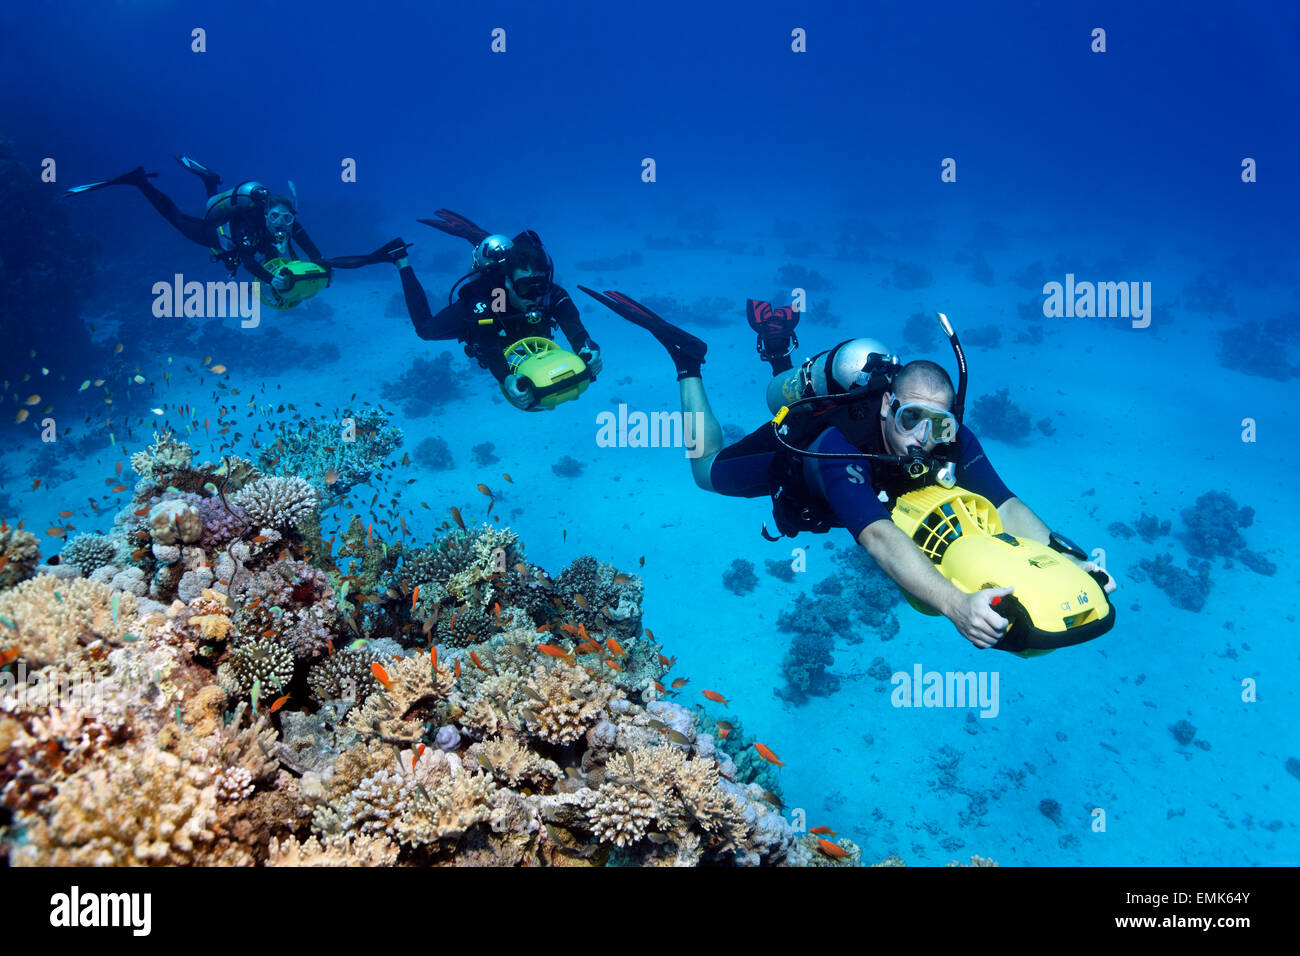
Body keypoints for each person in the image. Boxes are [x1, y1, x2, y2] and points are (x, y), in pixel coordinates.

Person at [580, 287, 1118, 650]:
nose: (924, 442)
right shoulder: (840, 446)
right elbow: (880, 537)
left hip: (852, 468)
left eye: (940, 424)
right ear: (887, 406)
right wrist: (955, 605)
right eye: (911, 420)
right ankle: (686, 359)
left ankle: (775, 349)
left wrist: (1066, 562)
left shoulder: (948, 438)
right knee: (706, 472)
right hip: (800, 456)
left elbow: (1006, 504)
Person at [66, 156, 403, 304]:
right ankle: (138, 181)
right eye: (277, 219)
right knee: (176, 218)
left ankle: (210, 181)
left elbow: (316, 254)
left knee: (267, 245)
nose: (284, 225)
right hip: (220, 237)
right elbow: (247, 261)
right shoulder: (247, 222)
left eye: (288, 220)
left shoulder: (287, 221)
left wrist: (330, 264)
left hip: (249, 242)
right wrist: (272, 279)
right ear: (267, 212)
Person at [382, 210, 600, 409]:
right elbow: (487, 343)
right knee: (425, 331)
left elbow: (574, 325)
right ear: (507, 282)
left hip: (515, 328)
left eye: (540, 286)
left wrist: (586, 348)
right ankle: (400, 258)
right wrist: (506, 377)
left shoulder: (551, 294)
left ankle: (492, 245)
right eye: (524, 288)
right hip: (487, 318)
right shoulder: (486, 300)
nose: (534, 296)